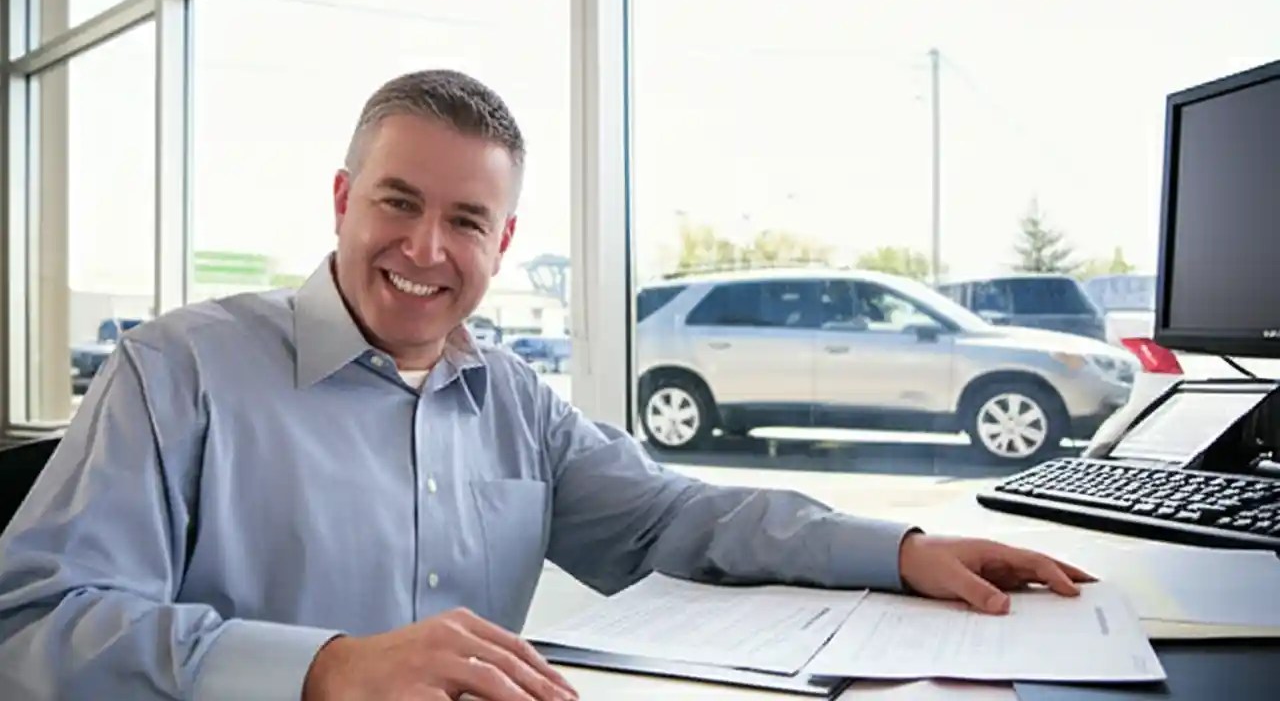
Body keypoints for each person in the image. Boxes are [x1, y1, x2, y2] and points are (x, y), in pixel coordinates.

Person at [0, 70, 1092, 701]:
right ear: (340, 198)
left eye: (465, 220)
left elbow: (678, 516)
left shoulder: (511, 398)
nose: (425, 248)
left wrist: (899, 552)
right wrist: (322, 670)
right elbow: (34, 628)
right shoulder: (177, 371)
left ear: (503, 239)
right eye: (396, 203)